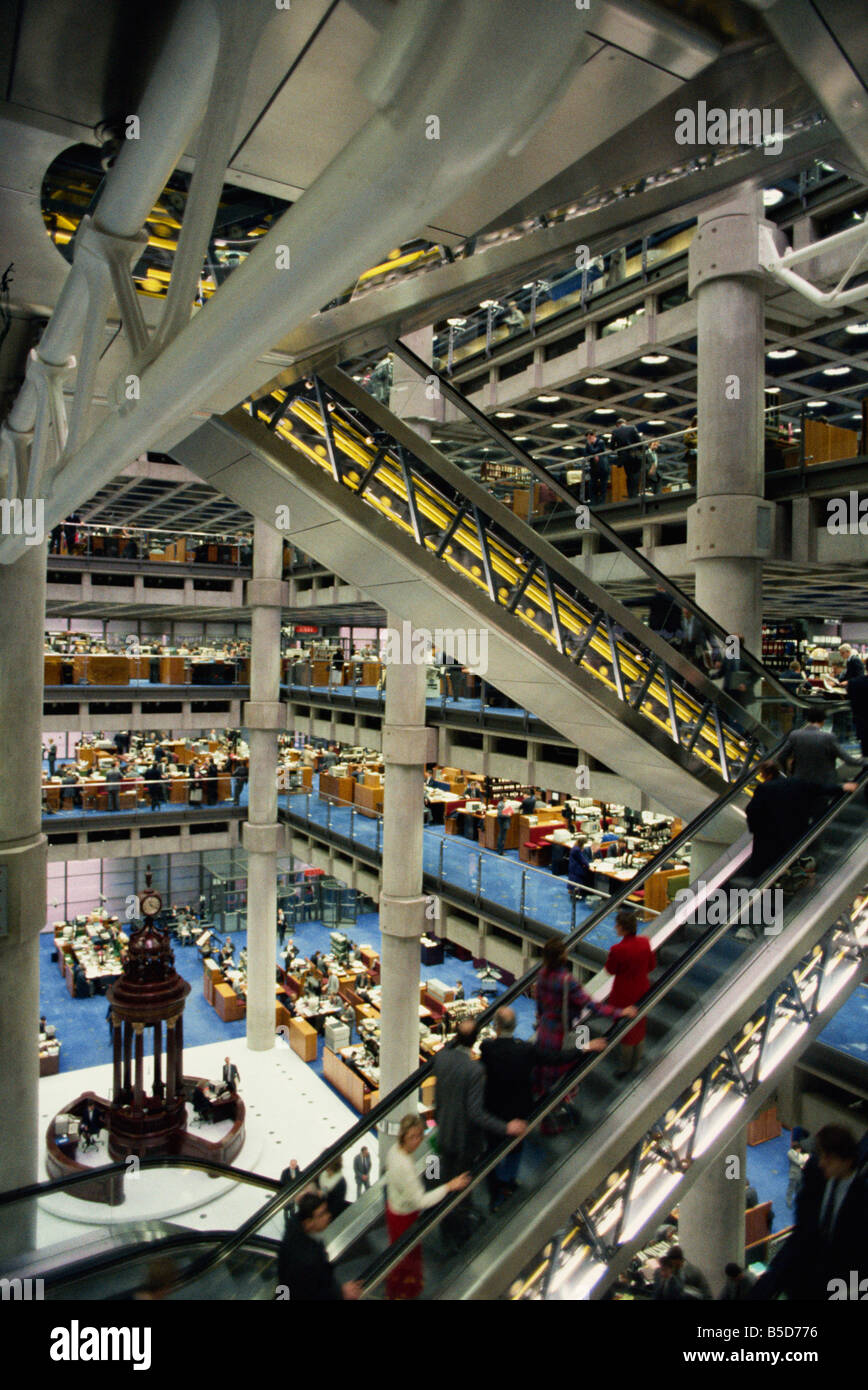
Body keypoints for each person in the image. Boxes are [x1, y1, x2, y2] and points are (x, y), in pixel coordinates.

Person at [480, 1006, 605, 1209]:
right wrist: (584, 1047)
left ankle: (495, 1192)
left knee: (491, 1152)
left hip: (493, 1110)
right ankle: (509, 1184)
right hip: (520, 1110)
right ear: (515, 1026)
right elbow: (557, 1058)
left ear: (496, 1026)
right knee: (515, 1148)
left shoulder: (487, 1049)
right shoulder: (526, 1051)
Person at [433, 1019, 527, 1245]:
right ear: (476, 1040)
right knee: (462, 1185)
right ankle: (460, 1233)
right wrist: (506, 1127)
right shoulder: (474, 1070)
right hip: (465, 1140)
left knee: (445, 1180)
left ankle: (445, 1229)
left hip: (443, 1131)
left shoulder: (441, 1058)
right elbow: (475, 1113)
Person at [533, 937, 636, 1133]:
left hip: (544, 1033)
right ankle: (557, 1116)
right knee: (564, 1076)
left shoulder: (542, 975)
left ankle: (545, 1118)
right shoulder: (566, 980)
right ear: (563, 956)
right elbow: (593, 1006)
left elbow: (539, 1006)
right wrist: (619, 1012)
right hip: (559, 1036)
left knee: (546, 1076)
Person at [385, 1114, 470, 1299]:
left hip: (394, 1207)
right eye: (412, 1137)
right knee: (406, 1258)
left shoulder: (394, 1151)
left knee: (402, 1257)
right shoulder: (405, 1166)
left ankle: (399, 1289)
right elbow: (420, 1201)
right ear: (403, 1137)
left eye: (419, 1135)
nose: (417, 1141)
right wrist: (449, 1186)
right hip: (404, 1216)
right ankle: (403, 1293)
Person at [744, 762, 857, 881]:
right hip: (798, 830)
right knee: (795, 855)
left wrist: (756, 828)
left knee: (766, 861)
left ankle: (761, 882)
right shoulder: (797, 783)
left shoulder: (763, 788)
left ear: (764, 775)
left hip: (772, 834)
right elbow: (820, 789)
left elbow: (752, 810)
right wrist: (843, 787)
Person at [277, 1191, 361, 1300]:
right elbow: (313, 1292)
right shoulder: (306, 1257)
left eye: (326, 1211)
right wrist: (340, 1293)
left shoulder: (295, 1233)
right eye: (322, 1214)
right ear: (308, 1223)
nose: (328, 1216)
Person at [604, 907, 656, 1077]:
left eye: (616, 925)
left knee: (625, 1032)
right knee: (638, 1028)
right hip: (642, 989)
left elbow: (611, 970)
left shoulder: (617, 950)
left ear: (622, 927)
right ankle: (635, 1064)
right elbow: (651, 966)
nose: (615, 928)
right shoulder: (644, 942)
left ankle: (625, 1067)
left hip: (623, 994)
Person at [777, 713, 863, 789]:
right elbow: (848, 759)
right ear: (823, 721)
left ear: (808, 720)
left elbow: (781, 756)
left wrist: (787, 772)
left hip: (800, 782)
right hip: (824, 784)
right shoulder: (828, 737)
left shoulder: (795, 735)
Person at [611, 417, 643, 497]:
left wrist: (619, 449)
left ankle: (630, 494)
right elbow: (639, 442)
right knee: (635, 474)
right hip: (634, 455)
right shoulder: (632, 428)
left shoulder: (615, 431)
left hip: (624, 457)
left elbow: (612, 446)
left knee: (629, 475)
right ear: (625, 423)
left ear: (617, 425)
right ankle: (635, 494)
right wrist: (640, 450)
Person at [581, 428, 609, 506]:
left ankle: (602, 502)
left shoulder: (600, 442)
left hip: (602, 467)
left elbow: (594, 451)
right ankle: (594, 502)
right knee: (592, 485)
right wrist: (593, 455)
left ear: (593, 436)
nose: (589, 440)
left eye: (590, 437)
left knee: (603, 485)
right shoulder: (588, 444)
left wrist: (590, 448)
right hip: (594, 468)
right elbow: (585, 454)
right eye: (588, 438)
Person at [846, 672, 868, 756]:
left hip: (862, 720)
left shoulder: (854, 682)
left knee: (865, 747)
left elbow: (850, 697)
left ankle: (865, 766)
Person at [567, 836, 593, 901]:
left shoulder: (575, 847)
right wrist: (588, 866)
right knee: (577, 882)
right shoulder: (577, 850)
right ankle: (576, 896)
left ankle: (574, 894)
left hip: (573, 867)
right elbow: (582, 860)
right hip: (576, 868)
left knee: (573, 881)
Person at [786, 1136, 808, 1209]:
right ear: (796, 1149)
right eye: (799, 1149)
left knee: (798, 1188)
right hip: (794, 1173)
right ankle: (788, 1201)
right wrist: (805, 1160)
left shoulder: (799, 1154)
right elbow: (797, 1162)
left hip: (800, 1173)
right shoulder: (790, 1153)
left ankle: (797, 1200)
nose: (800, 1150)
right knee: (791, 1188)